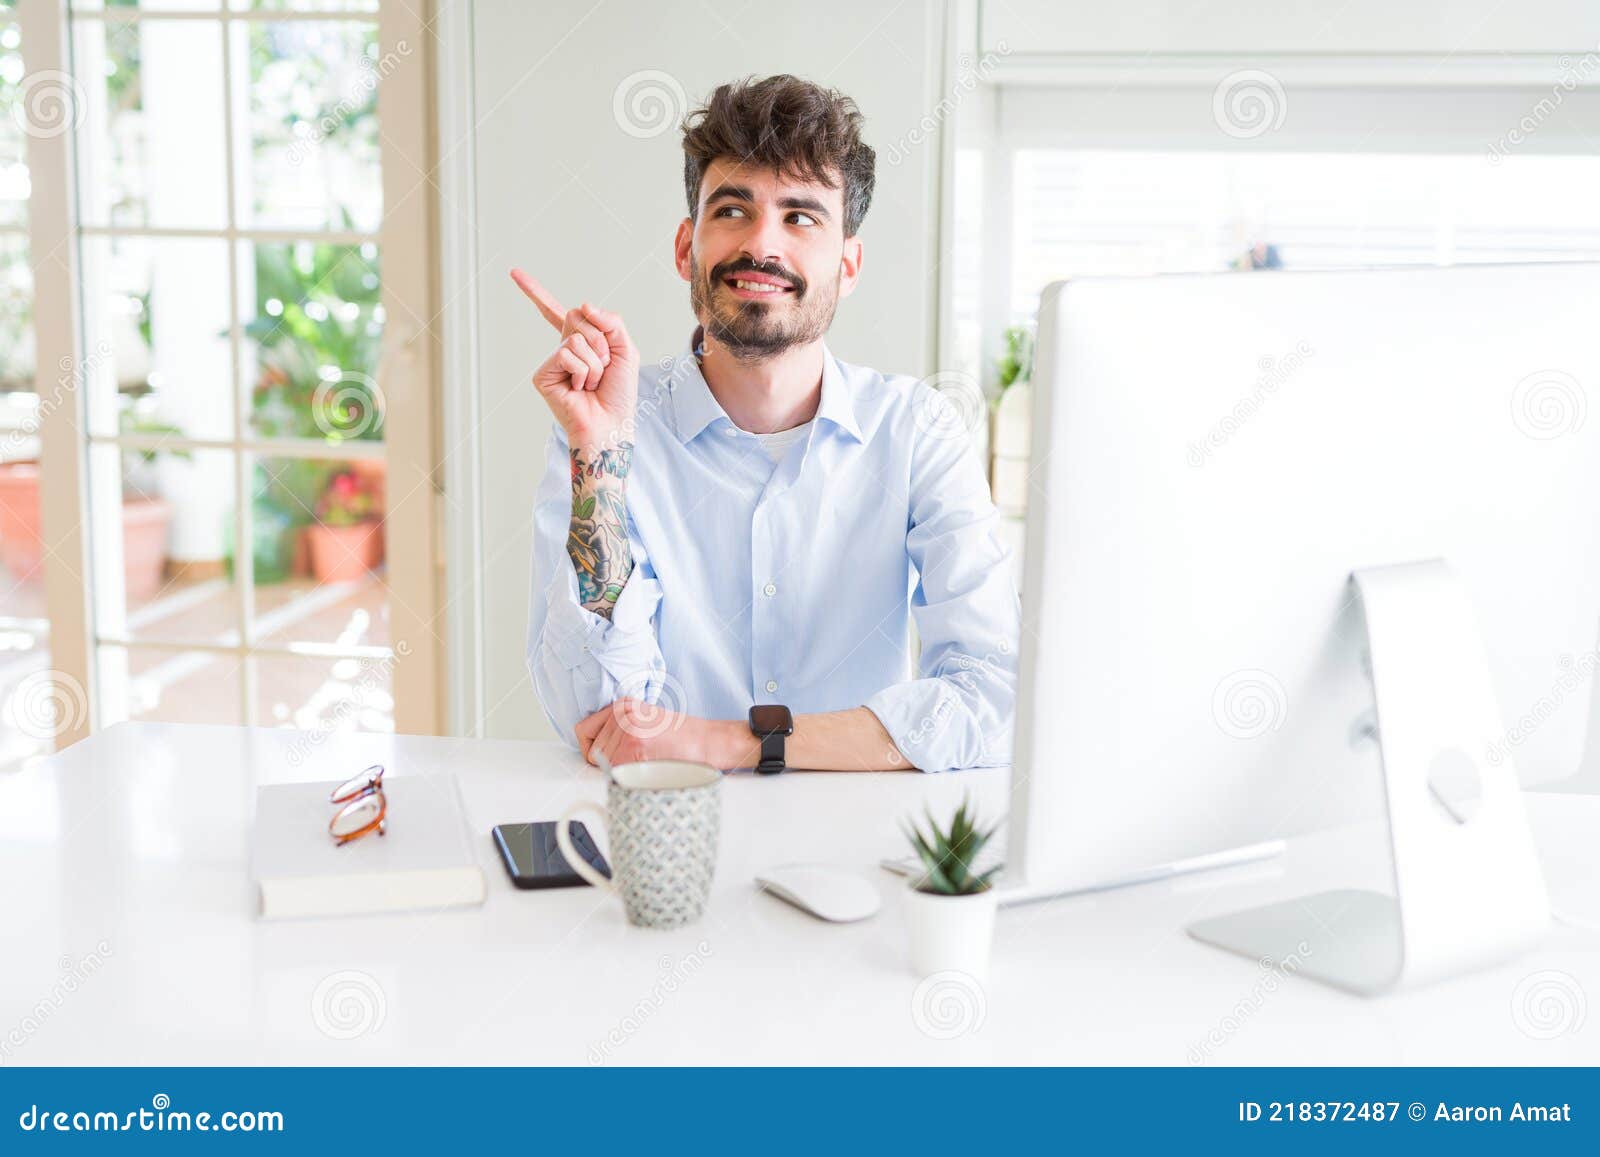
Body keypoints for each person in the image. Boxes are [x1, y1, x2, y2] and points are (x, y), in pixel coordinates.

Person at [518, 75, 1018, 773]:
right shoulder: (612, 427)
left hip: (856, 852)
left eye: (801, 216)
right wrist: (602, 456)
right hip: (664, 833)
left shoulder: (917, 430)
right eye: (732, 209)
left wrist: (732, 742)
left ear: (847, 264)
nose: (762, 245)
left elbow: (994, 696)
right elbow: (599, 716)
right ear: (685, 246)